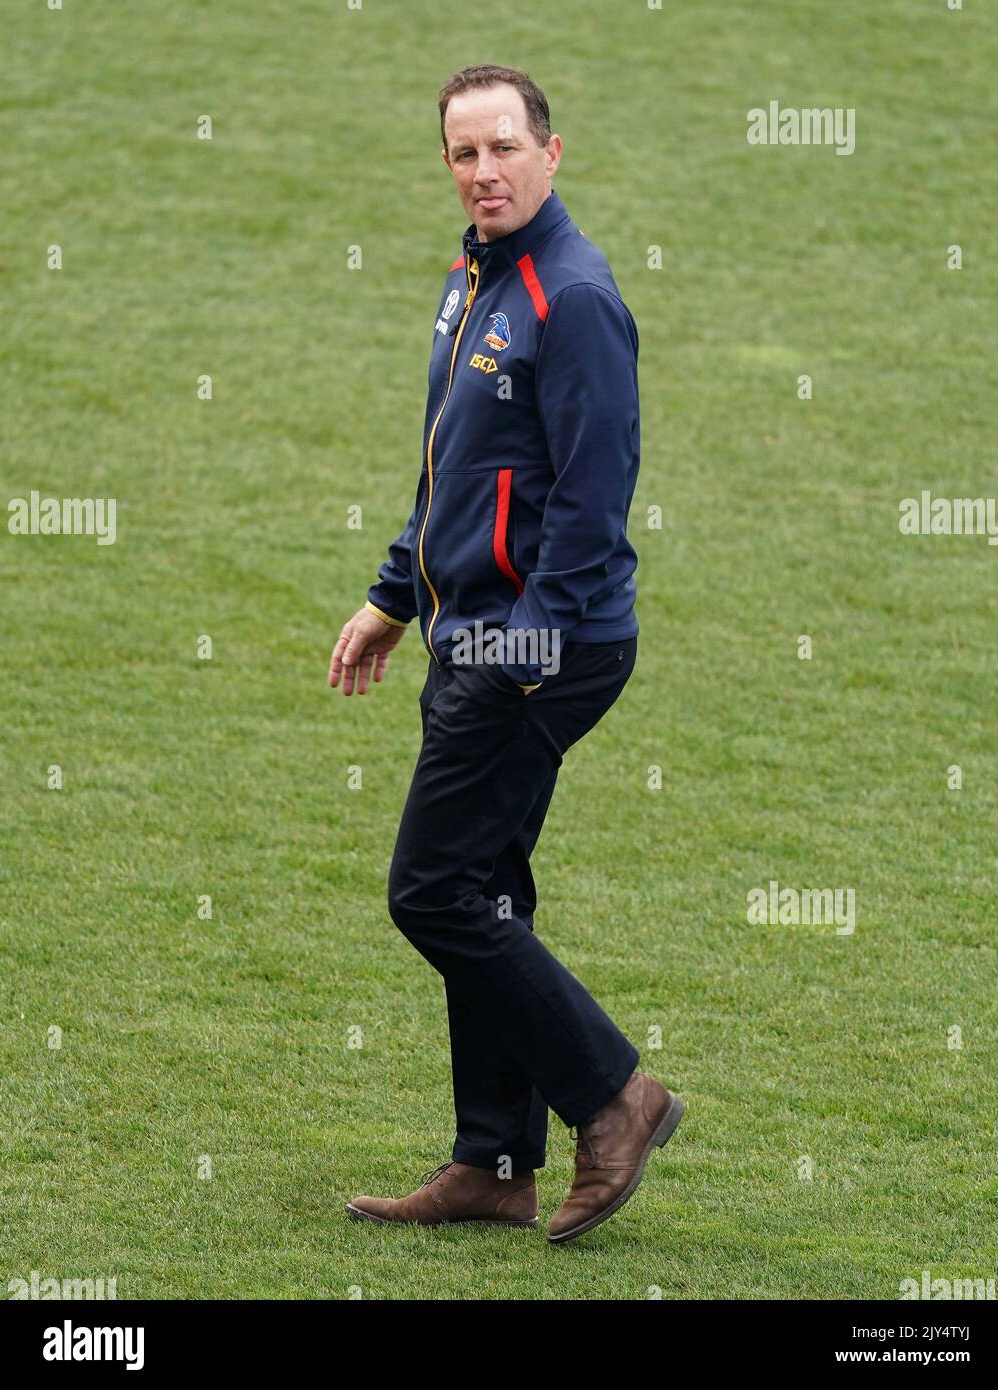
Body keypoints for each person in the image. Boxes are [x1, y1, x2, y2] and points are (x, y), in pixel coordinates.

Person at [329, 64, 683, 1244]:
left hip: (537, 643)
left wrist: (522, 649)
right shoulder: (473, 275)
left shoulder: (570, 295)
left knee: (430, 890)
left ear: (552, 151)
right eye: (462, 154)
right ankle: (492, 1158)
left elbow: (593, 496)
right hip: (474, 626)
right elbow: (453, 461)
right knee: (481, 886)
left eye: (502, 149)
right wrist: (394, 596)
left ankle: (612, 1094)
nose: (483, 172)